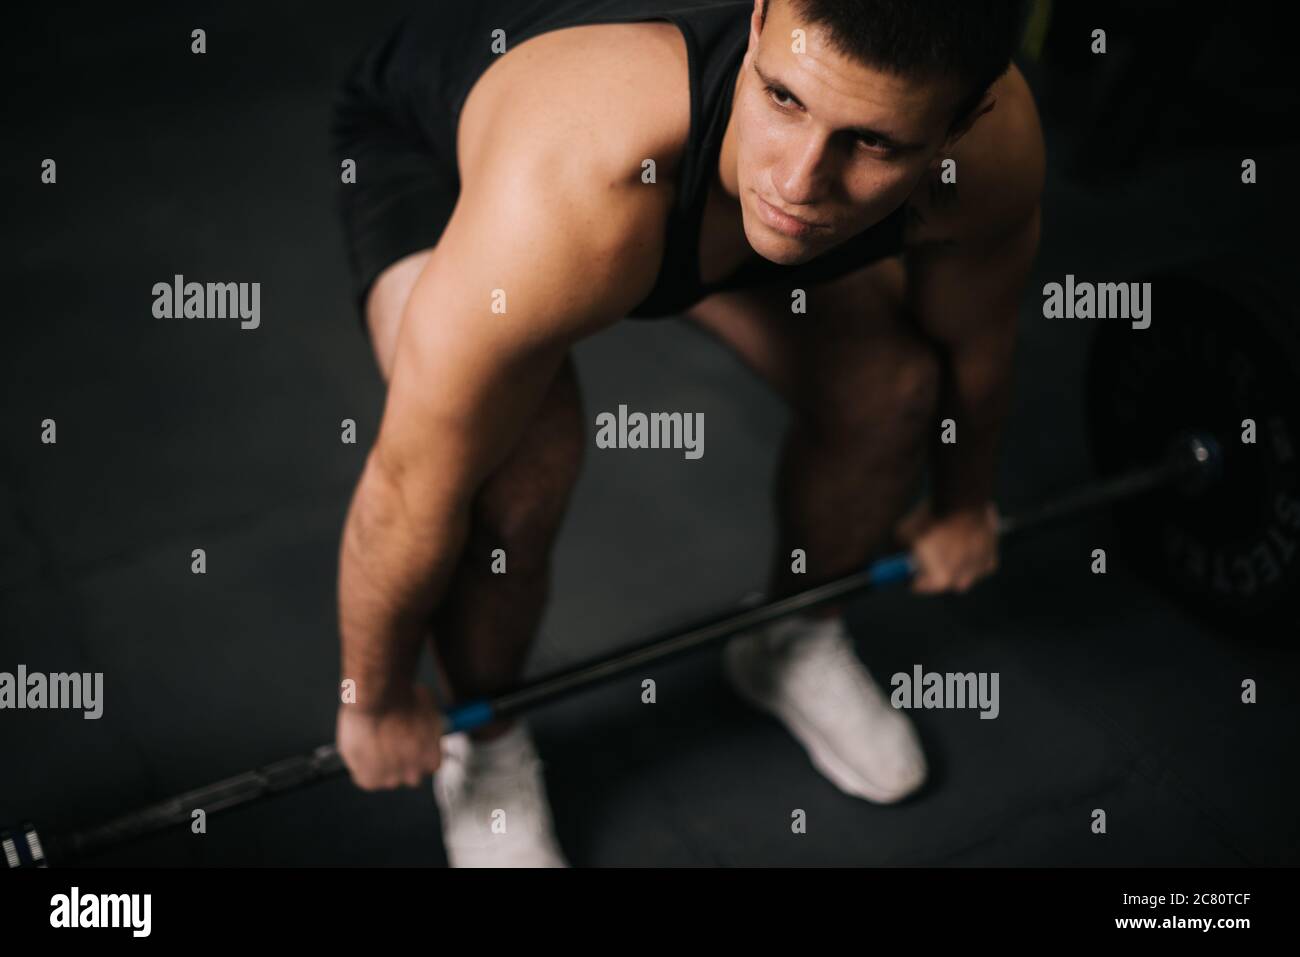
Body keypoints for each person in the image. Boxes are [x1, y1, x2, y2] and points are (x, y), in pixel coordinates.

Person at [330, 0, 1043, 867]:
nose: (800, 177)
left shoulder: (992, 159)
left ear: (964, 122)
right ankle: (485, 743)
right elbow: (410, 483)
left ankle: (794, 636)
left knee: (890, 387)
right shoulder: (573, 172)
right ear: (757, 24)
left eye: (874, 143)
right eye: (782, 97)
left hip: (676, 196)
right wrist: (373, 698)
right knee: (516, 464)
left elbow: (978, 342)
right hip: (442, 144)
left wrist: (965, 505)